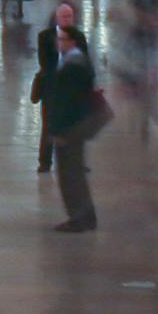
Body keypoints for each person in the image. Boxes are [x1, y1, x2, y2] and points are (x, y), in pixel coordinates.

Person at [30, 16, 102, 233]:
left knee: (71, 177)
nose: (58, 43)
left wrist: (60, 129)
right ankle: (85, 216)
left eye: (62, 40)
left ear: (72, 42)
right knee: (73, 176)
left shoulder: (75, 65)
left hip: (70, 130)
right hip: (72, 128)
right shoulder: (72, 62)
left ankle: (80, 218)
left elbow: (70, 100)